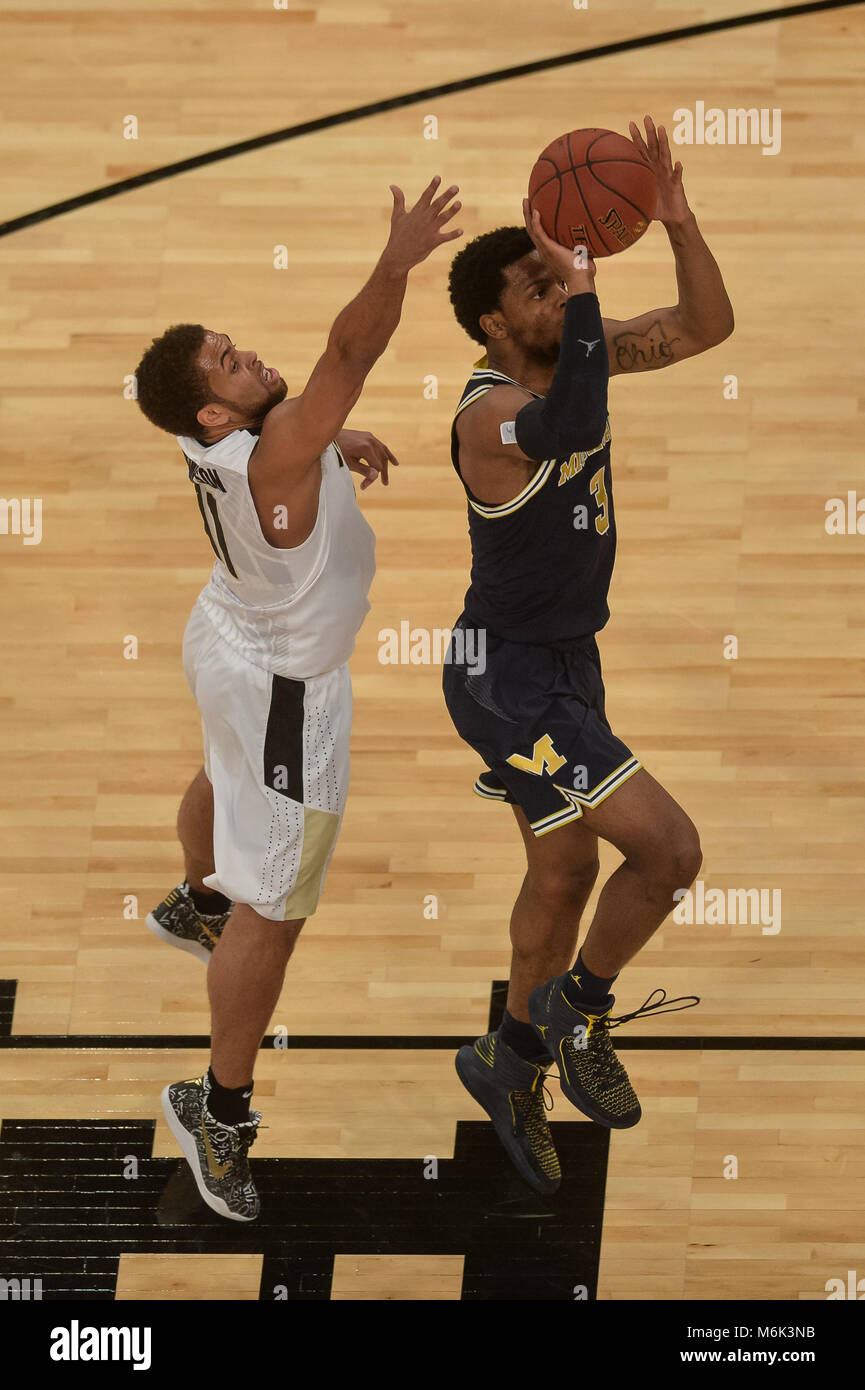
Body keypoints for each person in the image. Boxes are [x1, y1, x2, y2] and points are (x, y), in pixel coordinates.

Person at [133, 176, 462, 1220]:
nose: (250, 356)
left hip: (224, 635)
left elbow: (274, 422)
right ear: (215, 411)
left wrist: (316, 448)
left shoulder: (209, 434)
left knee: (222, 780)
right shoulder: (271, 452)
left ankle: (197, 896)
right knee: (275, 913)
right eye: (231, 362)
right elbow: (346, 357)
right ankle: (213, 1109)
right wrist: (398, 260)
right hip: (285, 694)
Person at [443, 118, 733, 1193]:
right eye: (535, 285)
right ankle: (577, 1010)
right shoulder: (494, 413)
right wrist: (590, 295)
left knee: (563, 872)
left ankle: (507, 1059)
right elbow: (567, 425)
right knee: (669, 853)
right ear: (490, 321)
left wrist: (675, 222)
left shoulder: (572, 358)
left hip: (566, 657)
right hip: (503, 677)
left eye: (555, 273)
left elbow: (706, 324)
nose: (557, 289)